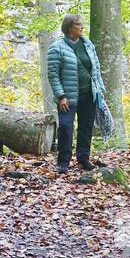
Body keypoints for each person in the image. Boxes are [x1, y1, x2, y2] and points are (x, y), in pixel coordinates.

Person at [46, 14, 105, 175]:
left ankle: (83, 159)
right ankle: (63, 162)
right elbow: (53, 75)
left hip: (89, 94)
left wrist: (99, 89)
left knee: (86, 127)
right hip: (68, 97)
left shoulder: (88, 44)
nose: (82, 27)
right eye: (79, 24)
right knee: (66, 127)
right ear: (70, 27)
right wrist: (61, 96)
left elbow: (96, 69)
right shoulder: (56, 48)